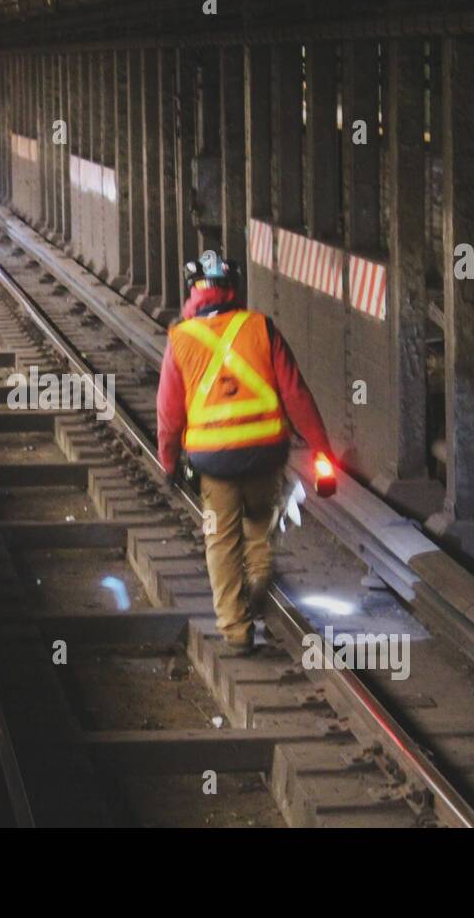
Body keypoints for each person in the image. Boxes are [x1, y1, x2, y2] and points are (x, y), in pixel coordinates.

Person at [156, 253, 336, 655]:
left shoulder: (180, 338)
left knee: (221, 540)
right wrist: (322, 450)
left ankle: (236, 630)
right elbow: (296, 393)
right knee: (259, 526)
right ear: (232, 288)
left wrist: (168, 461)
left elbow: (169, 412)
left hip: (213, 462)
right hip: (265, 454)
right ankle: (258, 581)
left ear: (194, 290)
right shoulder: (260, 327)